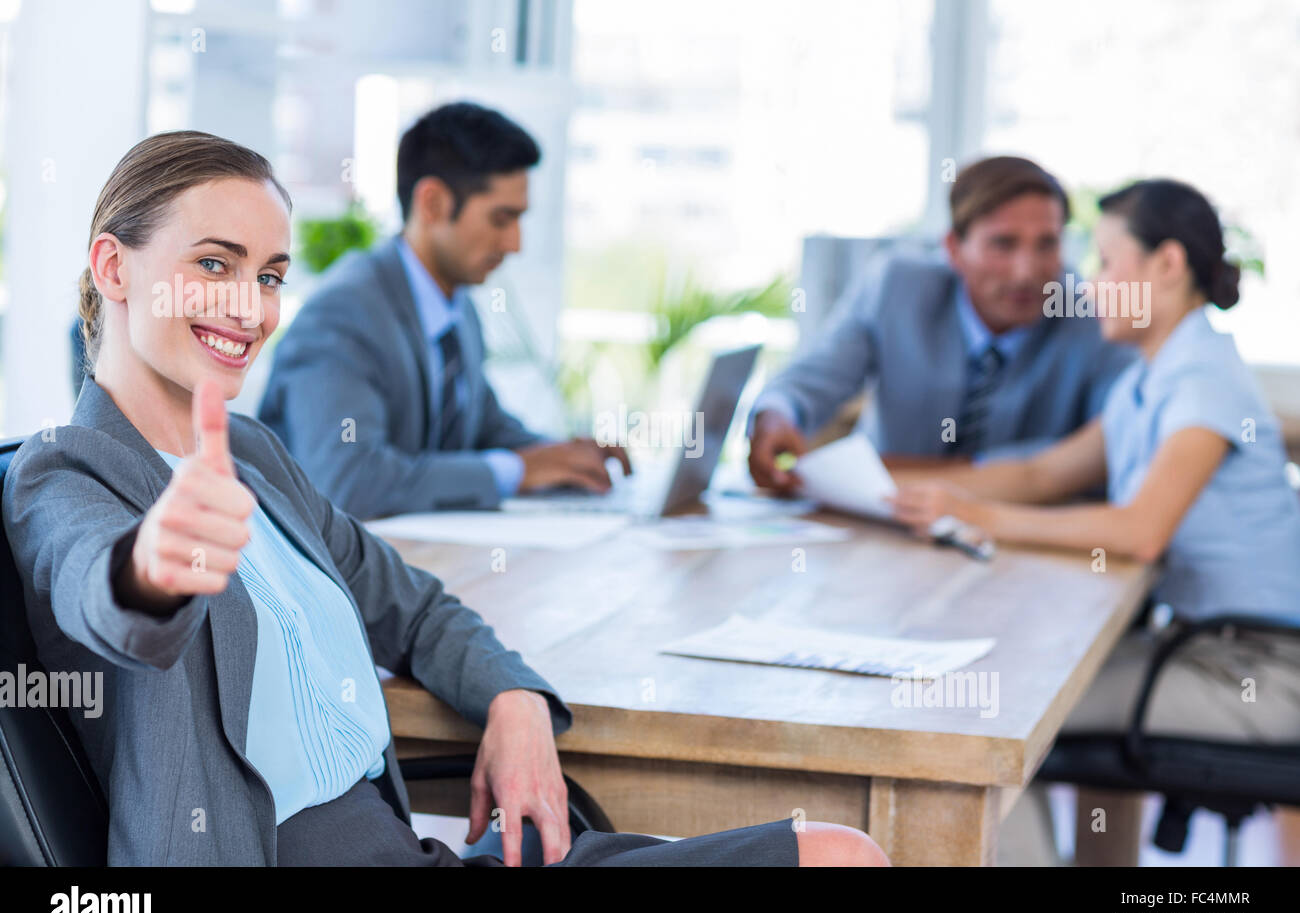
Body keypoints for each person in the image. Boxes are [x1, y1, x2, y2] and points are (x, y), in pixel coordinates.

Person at [2, 130, 887, 867]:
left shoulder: (256, 458)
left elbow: (413, 606)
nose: (250, 306)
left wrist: (514, 699)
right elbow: (103, 595)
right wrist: (155, 568)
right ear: (113, 269)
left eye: (269, 275)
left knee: (841, 854)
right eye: (214, 263)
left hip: (412, 854)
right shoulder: (64, 471)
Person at [890, 178, 1300, 865]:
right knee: (1006, 683)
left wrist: (979, 516)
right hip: (1208, 649)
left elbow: (1141, 530)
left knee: (988, 709)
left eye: (1107, 263)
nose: (1088, 284)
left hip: (1258, 672)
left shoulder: (1201, 378)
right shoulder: (1155, 374)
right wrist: (891, 486)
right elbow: (1044, 475)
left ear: (1166, 265)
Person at [258, 102, 629, 520]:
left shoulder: (455, 309)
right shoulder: (344, 315)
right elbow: (349, 479)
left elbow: (484, 429)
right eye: (502, 219)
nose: (515, 244)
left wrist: (564, 456)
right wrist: (521, 469)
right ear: (432, 203)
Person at [748, 156, 1136, 493]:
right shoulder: (897, 288)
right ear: (953, 248)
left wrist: (951, 473)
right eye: (1003, 244)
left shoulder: (1092, 315)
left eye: (1046, 244)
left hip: (1019, 535)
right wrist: (776, 415)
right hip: (881, 516)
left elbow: (1116, 440)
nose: (1026, 272)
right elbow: (813, 378)